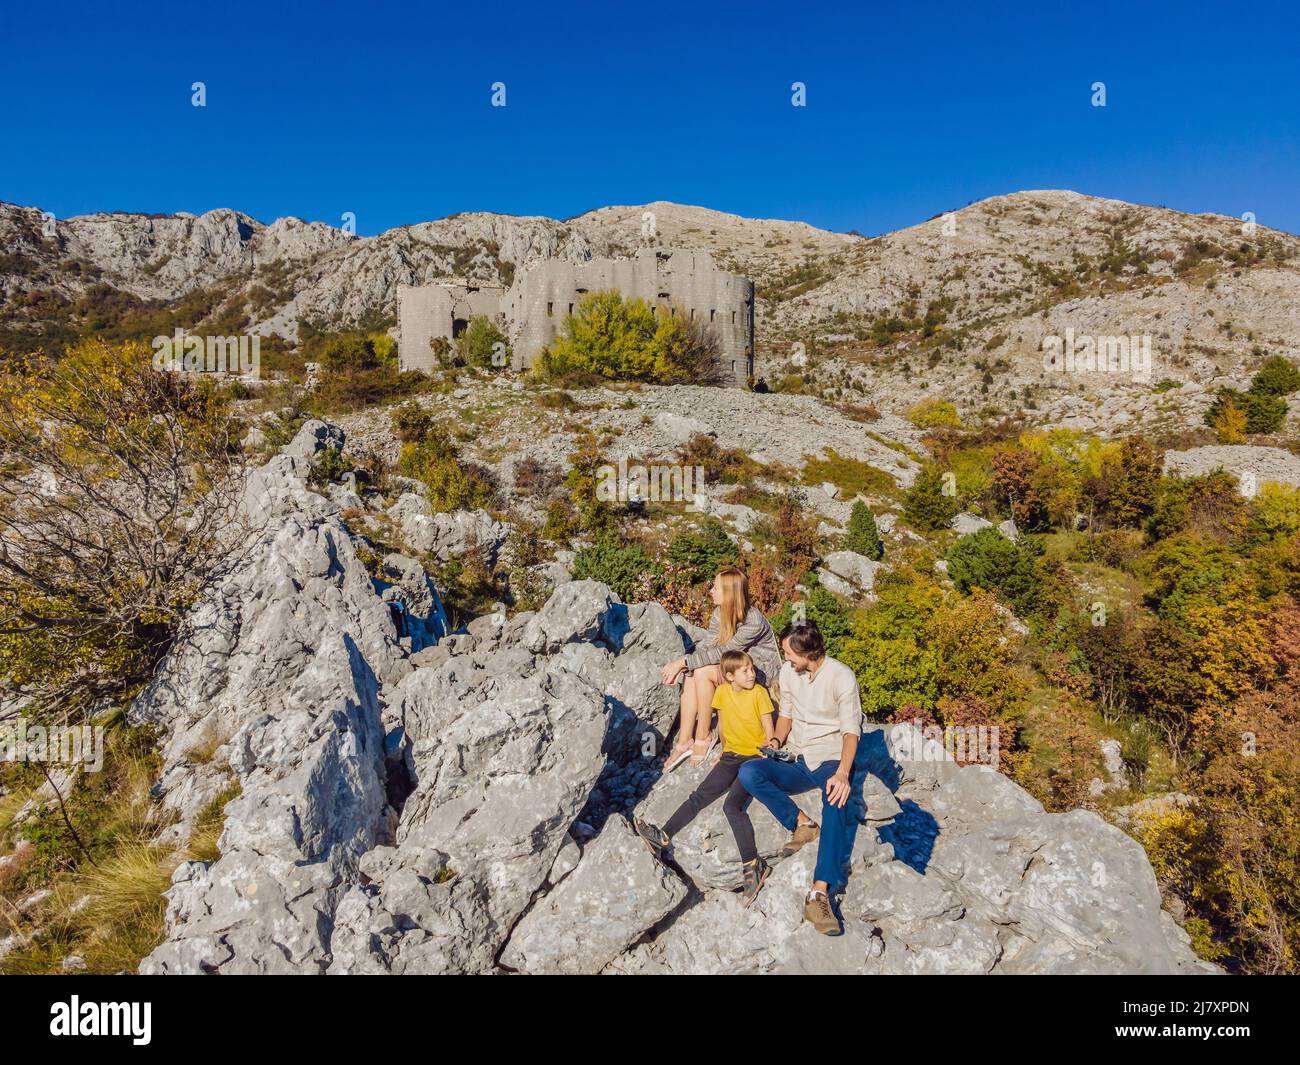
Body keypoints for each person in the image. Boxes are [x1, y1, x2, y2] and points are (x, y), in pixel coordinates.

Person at [737, 620, 863, 936]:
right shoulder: (789, 673)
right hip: (795, 756)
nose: (785, 658)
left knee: (836, 800)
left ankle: (820, 891)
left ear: (808, 653)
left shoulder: (841, 676)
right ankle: (803, 823)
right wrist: (776, 743)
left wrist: (843, 775)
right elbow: (787, 716)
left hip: (829, 758)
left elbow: (851, 732)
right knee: (750, 772)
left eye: (789, 653)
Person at [635, 649, 776, 906]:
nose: (751, 674)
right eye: (745, 671)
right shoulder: (721, 693)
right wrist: (722, 751)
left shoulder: (760, 694)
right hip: (731, 756)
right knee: (699, 796)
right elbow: (723, 724)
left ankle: (753, 865)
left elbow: (769, 730)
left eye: (752, 669)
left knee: (731, 806)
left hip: (754, 760)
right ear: (729, 676)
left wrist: (768, 752)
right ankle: (662, 836)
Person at [659, 567, 782, 770]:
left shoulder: (754, 621)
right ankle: (685, 739)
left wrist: (684, 662)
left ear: (729, 592)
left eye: (715, 587)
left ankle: (704, 735)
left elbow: (724, 652)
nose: (711, 591)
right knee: (691, 673)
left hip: (757, 673)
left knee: (702, 671)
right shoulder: (720, 612)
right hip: (733, 665)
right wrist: (686, 662)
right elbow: (708, 645)